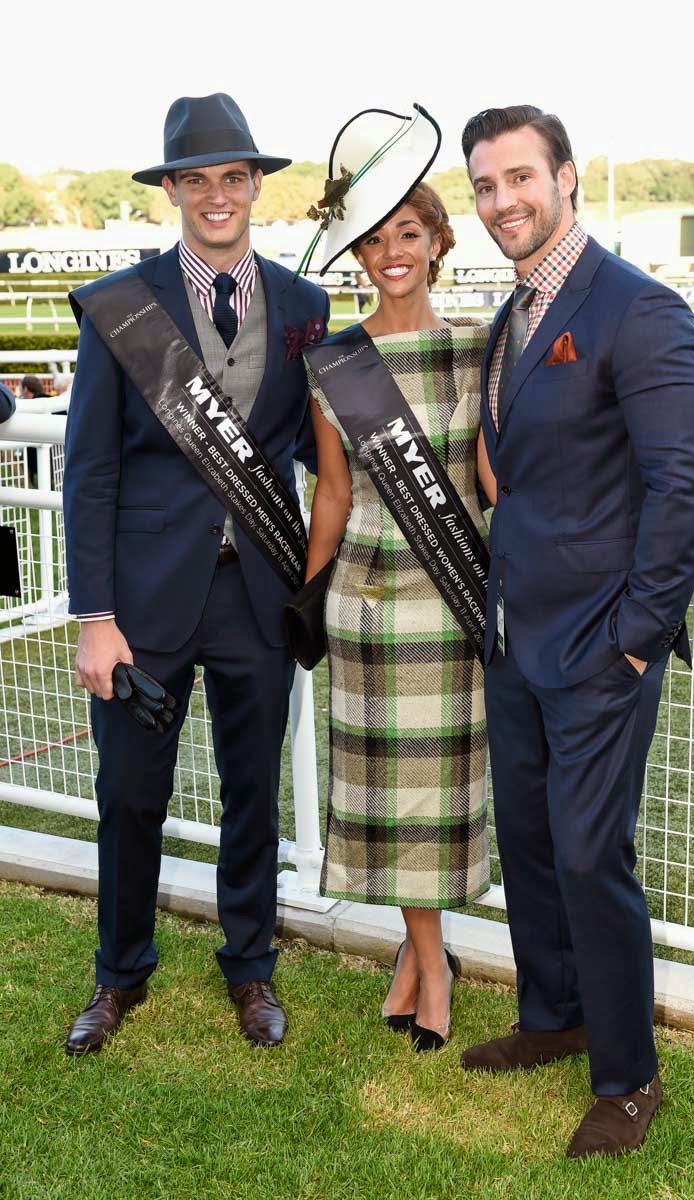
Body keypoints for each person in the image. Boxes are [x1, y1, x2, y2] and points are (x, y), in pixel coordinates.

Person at [459, 105, 694, 1156]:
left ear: (564, 177)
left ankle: (627, 1078)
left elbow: (683, 485)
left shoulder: (636, 308)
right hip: (517, 634)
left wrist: (637, 636)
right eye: (484, 186)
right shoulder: (511, 313)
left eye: (519, 177)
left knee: (586, 851)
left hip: (601, 646)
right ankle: (551, 1014)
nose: (502, 201)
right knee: (527, 842)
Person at [62, 93, 328, 1055]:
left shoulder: (305, 307)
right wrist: (94, 615)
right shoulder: (122, 305)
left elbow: (312, 449)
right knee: (131, 794)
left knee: (253, 790)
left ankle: (250, 969)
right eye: (195, 179)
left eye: (233, 177)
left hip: (258, 591)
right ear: (170, 190)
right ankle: (118, 974)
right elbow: (89, 468)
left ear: (255, 186)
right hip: (141, 602)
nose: (216, 195)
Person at [302, 105, 494, 1052]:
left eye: (407, 234)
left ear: (437, 240)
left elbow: (493, 483)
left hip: (453, 606)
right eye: (373, 240)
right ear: (356, 255)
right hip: (369, 610)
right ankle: (427, 962)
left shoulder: (478, 346)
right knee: (387, 797)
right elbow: (333, 495)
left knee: (439, 797)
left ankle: (423, 964)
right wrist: (308, 595)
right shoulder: (335, 360)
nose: (391, 253)